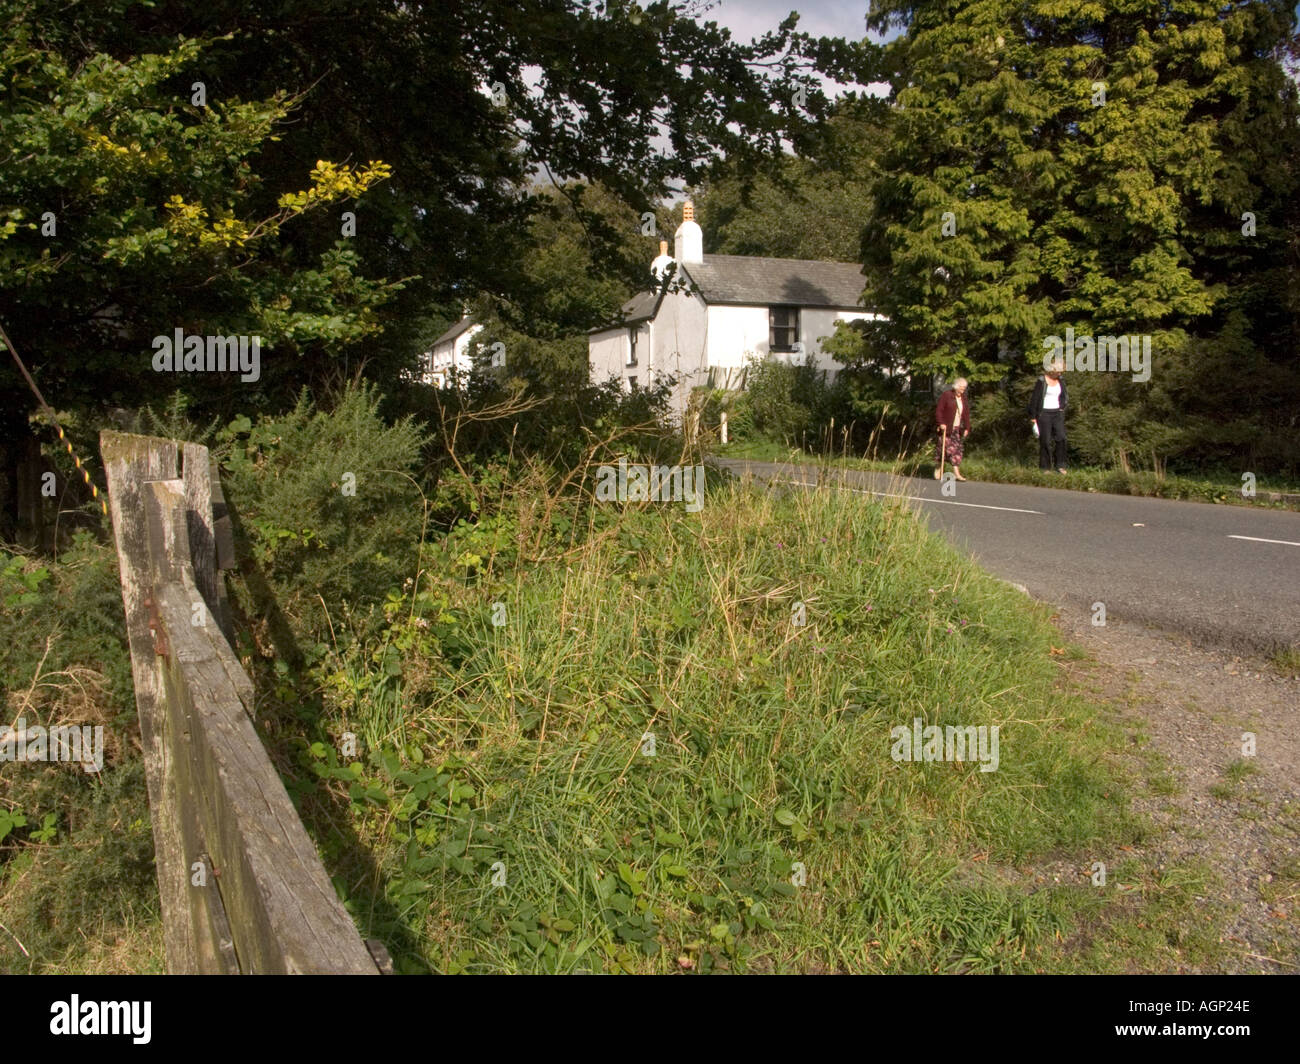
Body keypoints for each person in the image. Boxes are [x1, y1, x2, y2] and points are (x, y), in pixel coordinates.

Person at [1028, 361, 1068, 473]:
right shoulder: (1041, 381)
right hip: (1044, 413)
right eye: (1058, 371)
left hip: (1057, 413)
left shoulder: (1061, 380)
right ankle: (1045, 467)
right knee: (1045, 440)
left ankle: (1060, 465)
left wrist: (1062, 406)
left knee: (1061, 438)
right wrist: (1033, 416)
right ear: (1052, 370)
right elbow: (1035, 398)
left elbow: (1064, 394)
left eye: (1061, 372)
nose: (1060, 374)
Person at [933, 378, 971, 481]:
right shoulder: (947, 395)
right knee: (943, 449)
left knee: (956, 450)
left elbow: (966, 413)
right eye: (962, 388)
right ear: (956, 387)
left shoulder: (963, 398)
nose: (963, 390)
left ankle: (957, 474)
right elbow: (939, 411)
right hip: (946, 428)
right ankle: (938, 466)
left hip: (957, 428)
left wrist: (967, 427)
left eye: (964, 388)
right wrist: (941, 423)